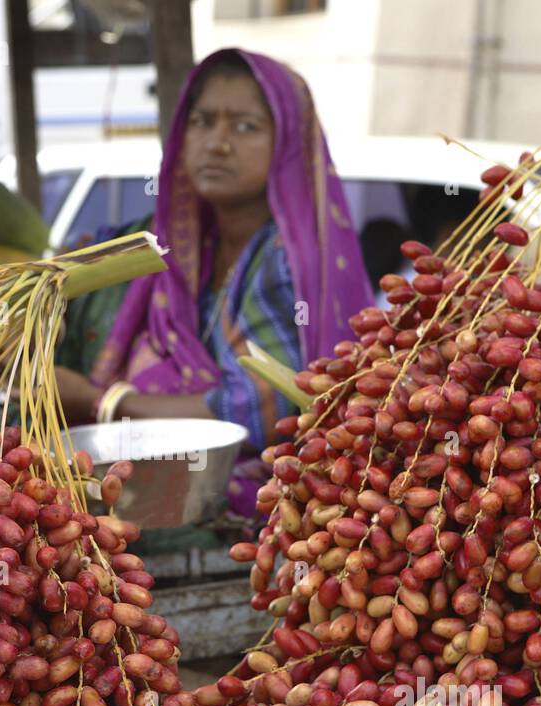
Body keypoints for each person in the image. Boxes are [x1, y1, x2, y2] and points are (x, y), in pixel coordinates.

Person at [54, 48, 372, 527]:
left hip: (271, 512)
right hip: (164, 493)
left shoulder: (289, 262)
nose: (217, 143)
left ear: (288, 143)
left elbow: (259, 415)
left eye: (245, 126)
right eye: (202, 122)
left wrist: (103, 403)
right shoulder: (179, 247)